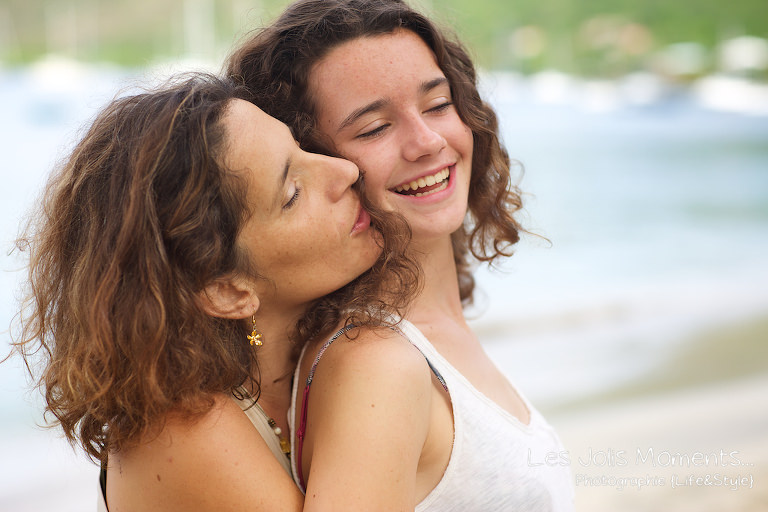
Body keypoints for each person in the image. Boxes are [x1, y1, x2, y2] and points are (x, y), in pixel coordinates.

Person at [13, 72, 419, 511]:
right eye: (292, 193)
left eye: (302, 148)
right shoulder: (185, 430)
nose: (345, 170)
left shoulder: (308, 367)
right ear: (226, 290)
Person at [227, 0, 575, 510]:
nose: (428, 141)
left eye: (437, 105)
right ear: (318, 165)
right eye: (374, 129)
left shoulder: (422, 335)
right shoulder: (375, 363)